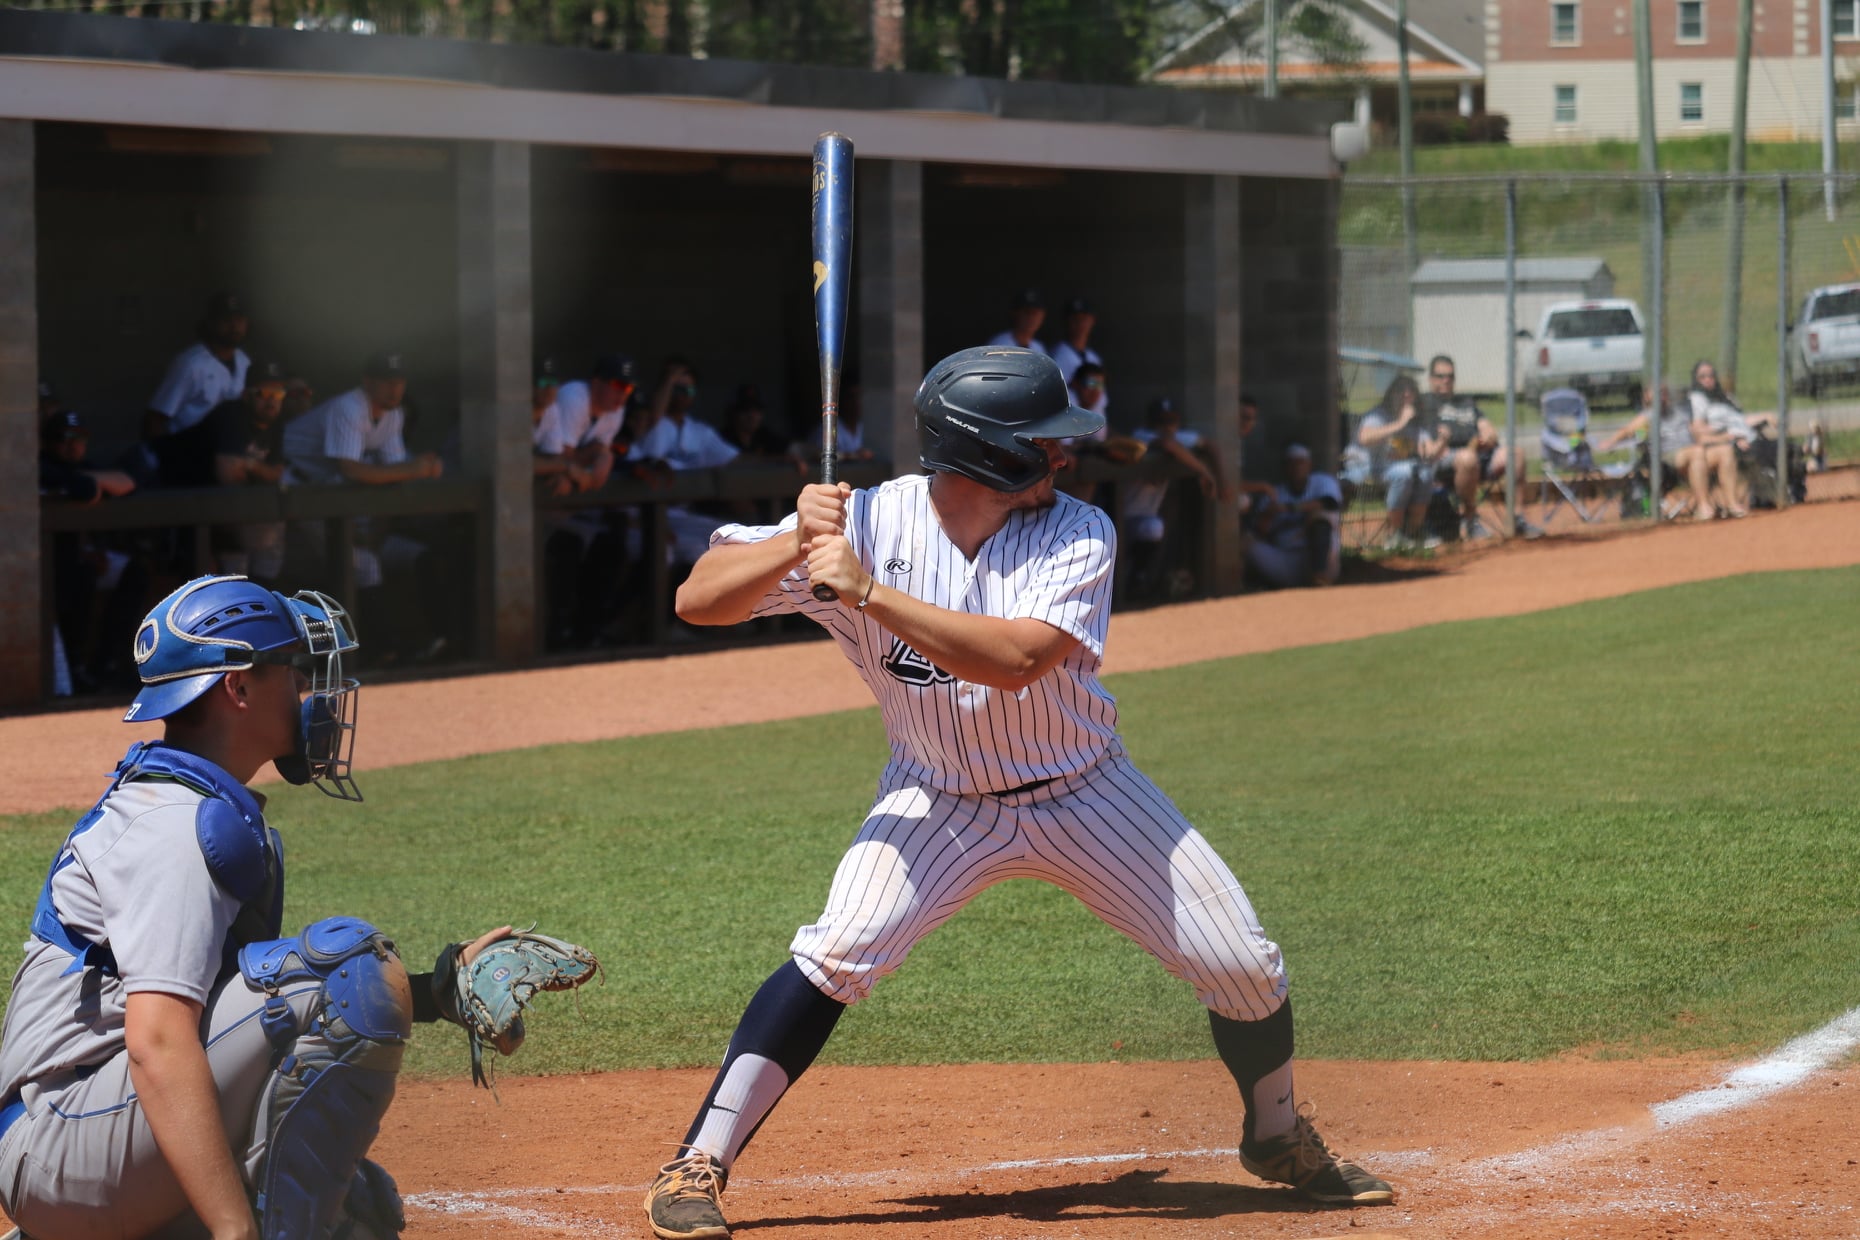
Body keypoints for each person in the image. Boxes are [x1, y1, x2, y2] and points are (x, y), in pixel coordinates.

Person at [642, 347, 1394, 1239]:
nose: (1063, 458)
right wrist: (790, 542)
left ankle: (1276, 1138)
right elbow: (697, 600)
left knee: (1243, 963)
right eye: (1044, 443)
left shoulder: (1079, 531)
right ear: (985, 455)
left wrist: (869, 593)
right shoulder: (867, 524)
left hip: (1084, 789)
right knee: (837, 950)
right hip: (938, 799)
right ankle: (698, 1163)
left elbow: (1015, 661)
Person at [0, 574, 508, 1240]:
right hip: (62, 1142)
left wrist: (431, 994)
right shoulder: (172, 826)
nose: (310, 694)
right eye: (293, 674)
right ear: (237, 687)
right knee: (346, 967)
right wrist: (235, 1230)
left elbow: (227, 997)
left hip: (94, 1125)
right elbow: (157, 1040)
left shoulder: (194, 805)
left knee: (357, 1209)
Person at [282, 353, 442, 487]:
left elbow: (393, 469)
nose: (395, 389)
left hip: (322, 484)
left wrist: (423, 466)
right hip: (287, 473)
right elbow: (350, 470)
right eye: (388, 382)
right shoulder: (349, 407)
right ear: (367, 382)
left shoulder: (394, 413)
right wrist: (411, 469)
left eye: (400, 382)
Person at [1121, 396, 1220, 602]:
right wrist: (1204, 471)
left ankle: (1140, 582)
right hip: (1118, 516)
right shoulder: (1141, 435)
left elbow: (1210, 445)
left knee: (1154, 528)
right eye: (1161, 421)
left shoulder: (1176, 438)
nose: (1167, 427)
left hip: (1144, 519)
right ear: (1150, 422)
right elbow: (1167, 444)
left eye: (1171, 421)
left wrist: (1224, 481)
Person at [1421, 354, 1524, 539]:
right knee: (1467, 458)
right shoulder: (1425, 404)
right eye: (1440, 376)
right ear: (1430, 378)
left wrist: (1488, 436)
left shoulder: (1466, 402)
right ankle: (1470, 520)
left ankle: (1517, 519)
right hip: (1447, 464)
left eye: (1450, 376)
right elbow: (1427, 444)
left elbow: (1486, 427)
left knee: (1515, 454)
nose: (1446, 380)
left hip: (1480, 457)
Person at [1597, 383, 1726, 520]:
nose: (1662, 396)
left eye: (1664, 392)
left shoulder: (1679, 411)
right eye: (1657, 393)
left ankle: (1732, 504)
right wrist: (1610, 442)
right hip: (1668, 459)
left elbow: (1696, 432)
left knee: (1724, 451)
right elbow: (1627, 431)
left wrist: (1721, 436)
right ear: (1647, 396)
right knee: (1697, 452)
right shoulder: (1648, 415)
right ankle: (1704, 506)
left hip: (1694, 454)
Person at [147, 293, 252, 440]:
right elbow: (156, 419)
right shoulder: (190, 363)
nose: (234, 326)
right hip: (186, 449)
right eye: (227, 319)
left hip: (225, 452)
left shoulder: (245, 361)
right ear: (211, 323)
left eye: (239, 320)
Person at [1354, 374, 1442, 546]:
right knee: (1404, 471)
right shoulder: (1378, 415)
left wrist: (1443, 440)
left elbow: (1429, 452)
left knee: (1424, 473)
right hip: (1365, 468)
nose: (1406, 397)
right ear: (1391, 394)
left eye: (1411, 394)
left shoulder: (1414, 421)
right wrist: (1400, 423)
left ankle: (1414, 533)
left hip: (1398, 472)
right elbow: (1365, 438)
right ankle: (1394, 535)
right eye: (1401, 392)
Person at [1686, 359, 1778, 517]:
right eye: (1703, 376)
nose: (1708, 379)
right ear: (1696, 379)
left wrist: (1766, 416)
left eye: (1711, 375)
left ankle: (1806, 455)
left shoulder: (1724, 398)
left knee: (1783, 449)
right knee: (1765, 451)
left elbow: (1741, 420)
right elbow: (1697, 428)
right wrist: (1729, 435)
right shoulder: (1697, 399)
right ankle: (1763, 495)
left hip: (1748, 437)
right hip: (1733, 443)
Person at [1244, 443, 1343, 588]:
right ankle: (1243, 585)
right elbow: (1260, 533)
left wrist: (1288, 508)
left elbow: (1331, 503)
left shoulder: (1322, 481)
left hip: (1319, 558)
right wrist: (1269, 514)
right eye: (1292, 463)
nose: (1297, 467)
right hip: (1285, 560)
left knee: (1319, 516)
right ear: (1285, 467)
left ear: (1309, 464)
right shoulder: (1274, 494)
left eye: (1301, 462)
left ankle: (1319, 576)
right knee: (1246, 542)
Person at [1049, 295, 1104, 412]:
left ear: (1092, 321)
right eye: (1075, 319)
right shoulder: (1056, 356)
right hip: (1069, 424)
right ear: (1066, 321)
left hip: (1095, 423)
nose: (1080, 324)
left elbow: (1100, 400)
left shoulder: (1094, 358)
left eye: (1084, 318)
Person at [985, 288, 1048, 355]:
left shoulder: (1039, 347)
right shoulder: (999, 344)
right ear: (1015, 313)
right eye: (1027, 312)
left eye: (1035, 313)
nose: (1031, 318)